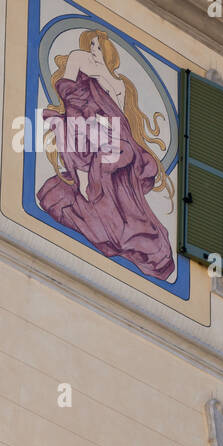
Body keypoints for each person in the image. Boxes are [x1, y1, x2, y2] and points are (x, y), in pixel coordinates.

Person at [36, 29, 175, 280]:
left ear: (108, 53)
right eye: (91, 47)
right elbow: (67, 91)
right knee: (103, 153)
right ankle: (95, 197)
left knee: (120, 153)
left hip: (114, 132)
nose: (93, 52)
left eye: (98, 48)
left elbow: (119, 114)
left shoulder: (118, 83)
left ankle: (116, 215)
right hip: (84, 122)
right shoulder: (79, 60)